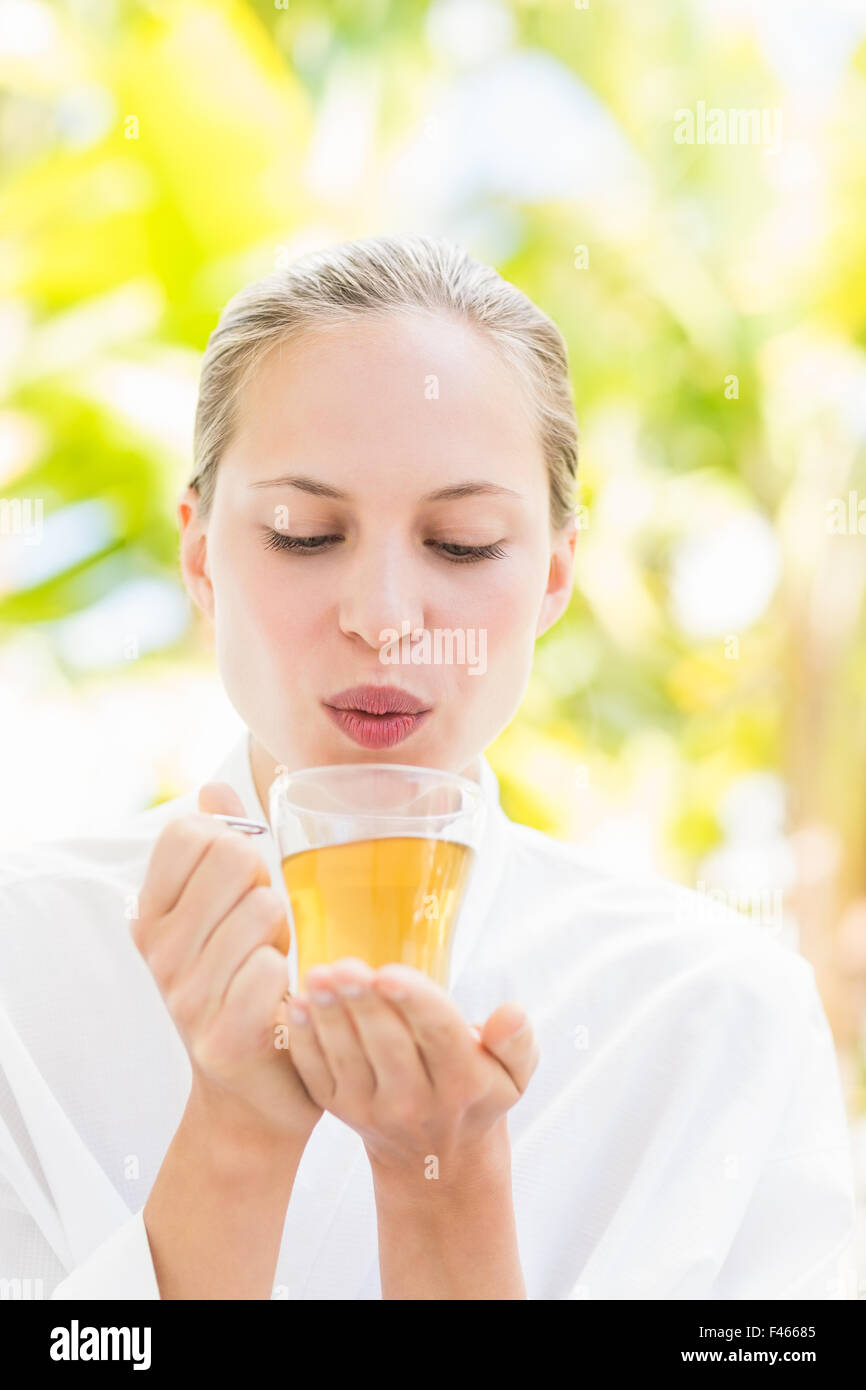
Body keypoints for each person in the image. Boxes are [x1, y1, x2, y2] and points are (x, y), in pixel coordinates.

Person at [0, 234, 857, 1301]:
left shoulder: (715, 1017)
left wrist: (442, 1189)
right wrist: (234, 1138)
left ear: (550, 576)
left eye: (459, 544)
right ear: (199, 554)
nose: (386, 622)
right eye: (304, 533)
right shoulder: (20, 967)